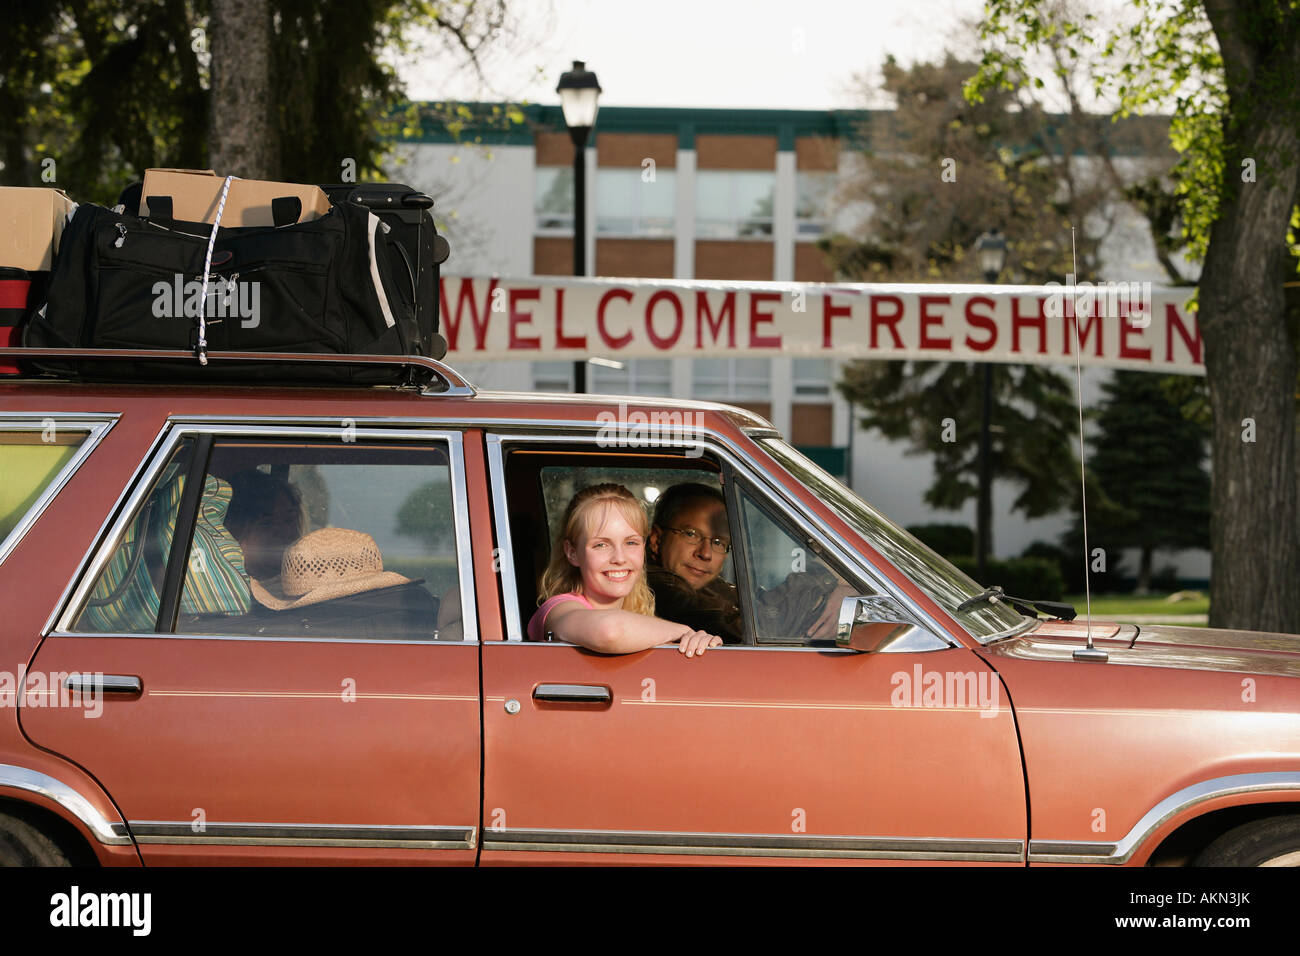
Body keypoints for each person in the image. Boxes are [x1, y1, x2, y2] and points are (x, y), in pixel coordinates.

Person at [647, 481, 857, 642]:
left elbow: (760, 604)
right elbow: (760, 628)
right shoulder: (658, 589)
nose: (706, 553)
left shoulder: (707, 587)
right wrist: (833, 582)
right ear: (656, 540)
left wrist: (842, 590)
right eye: (691, 534)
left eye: (719, 542)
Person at [528, 483, 722, 657]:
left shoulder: (640, 619)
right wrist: (684, 632)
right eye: (601, 545)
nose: (619, 558)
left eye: (631, 542)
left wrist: (698, 642)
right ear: (572, 553)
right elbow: (610, 631)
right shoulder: (557, 609)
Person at [225, 469, 306, 582]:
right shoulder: (226, 586)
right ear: (235, 532)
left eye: (289, 520)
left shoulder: (307, 579)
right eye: (266, 523)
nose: (285, 531)